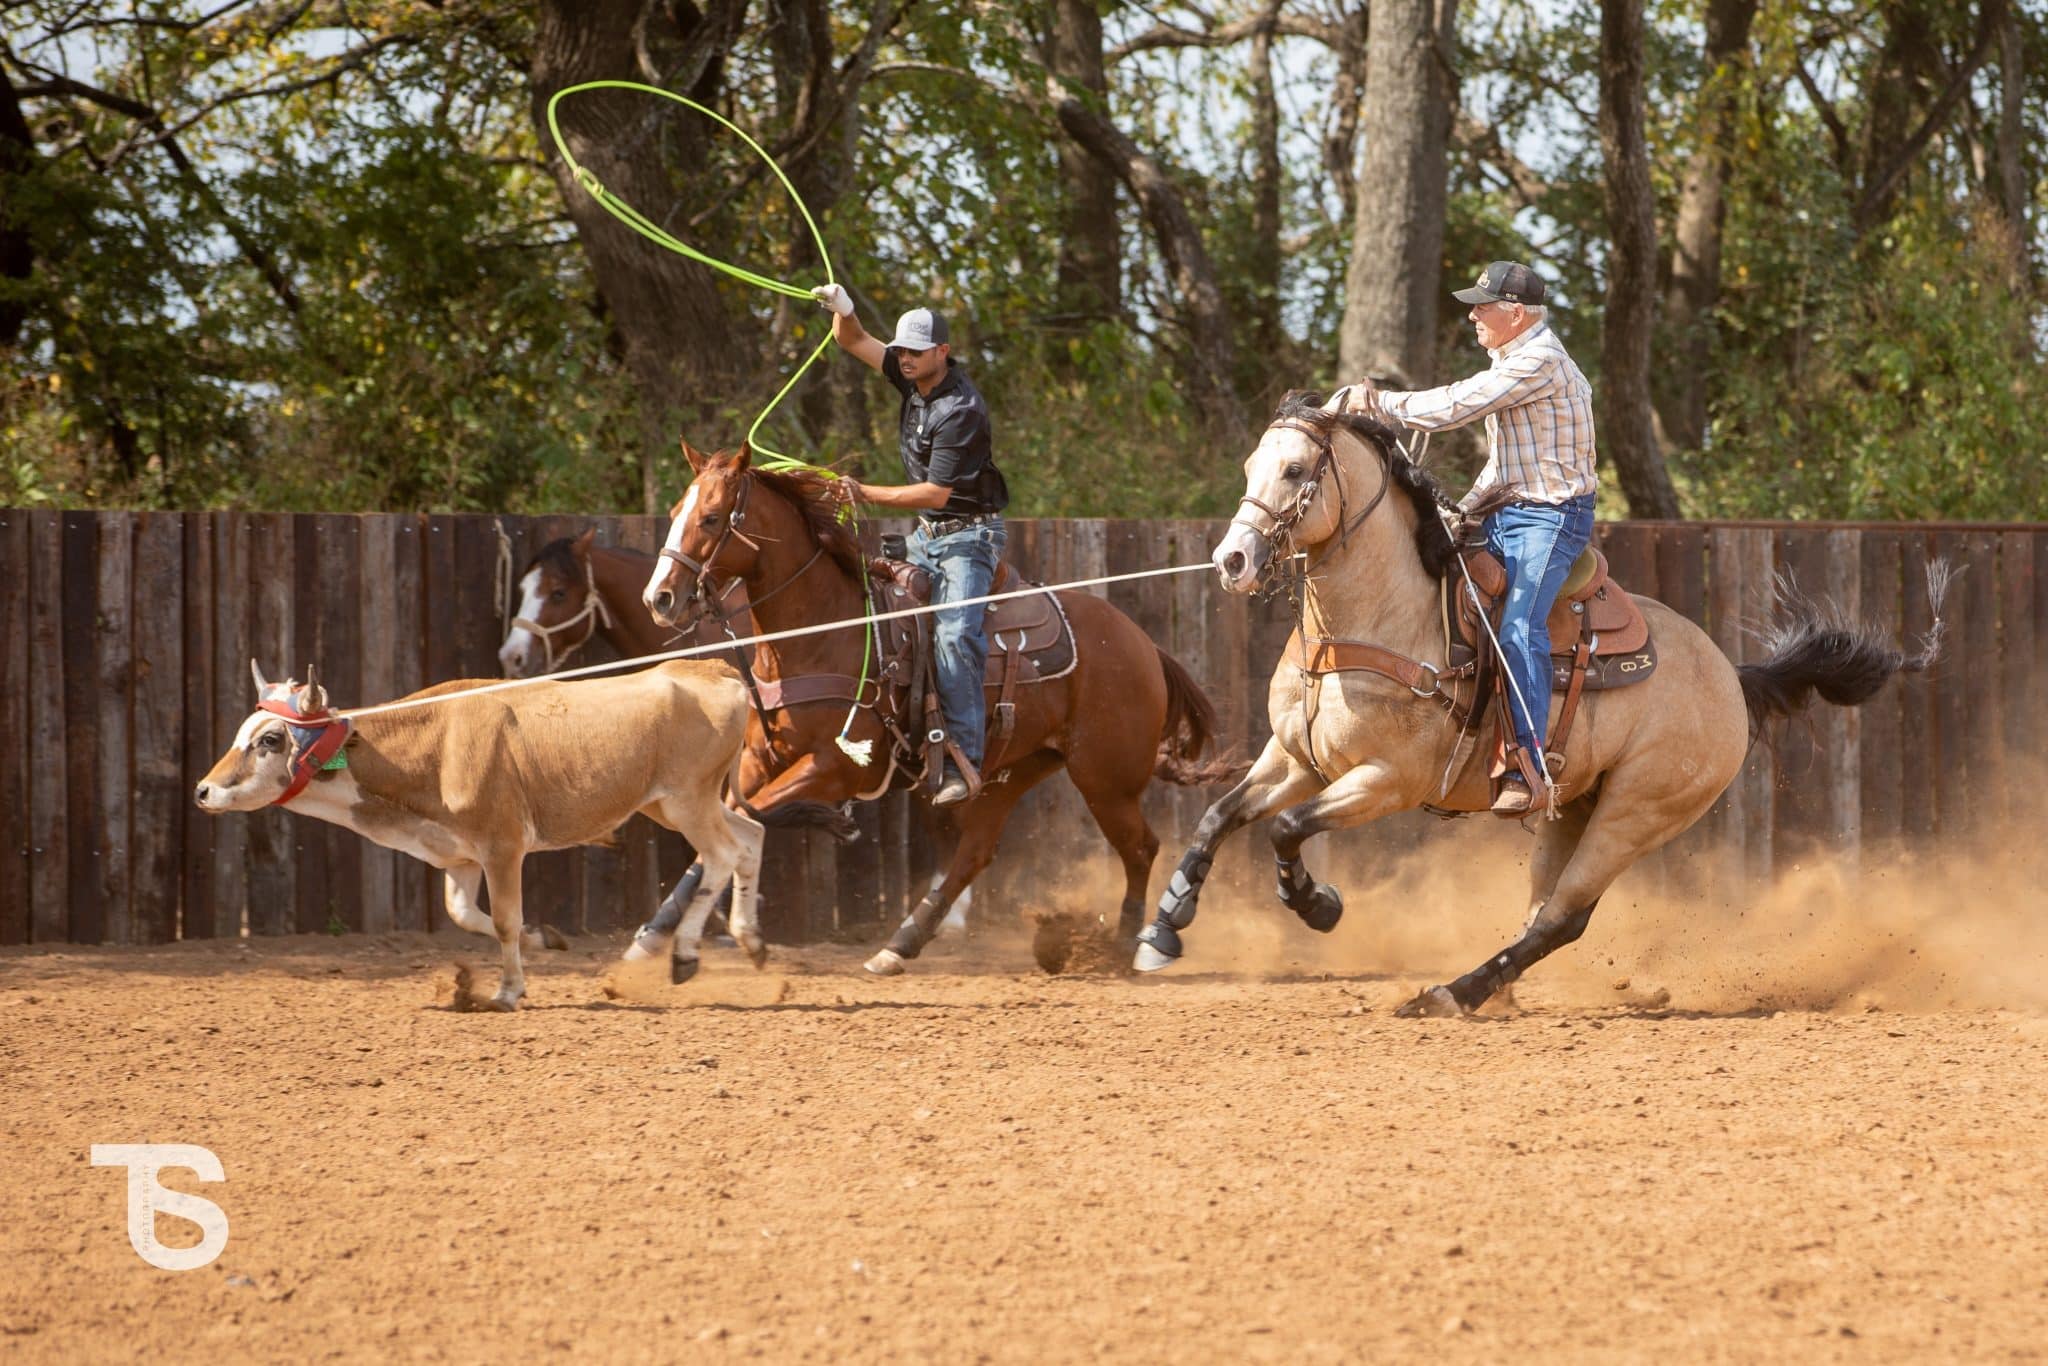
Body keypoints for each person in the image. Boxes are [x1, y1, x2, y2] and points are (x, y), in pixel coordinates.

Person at [1354, 260, 1598, 815]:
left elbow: (1455, 406)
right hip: (1513, 508)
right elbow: (1508, 463)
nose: (1472, 316)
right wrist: (1464, 511)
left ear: (1514, 314)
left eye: (1482, 307)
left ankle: (1529, 764)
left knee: (1517, 628)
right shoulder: (1515, 357)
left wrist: (1379, 403)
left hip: (1553, 518)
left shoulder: (1540, 360)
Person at [812, 283, 1010, 807]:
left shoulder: (960, 408)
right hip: (927, 536)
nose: (903, 358)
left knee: (953, 638)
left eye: (914, 352)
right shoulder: (912, 382)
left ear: (941, 353)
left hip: (970, 538)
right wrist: (844, 309)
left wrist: (862, 492)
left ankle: (964, 761)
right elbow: (853, 342)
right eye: (900, 350)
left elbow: (936, 493)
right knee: (866, 604)